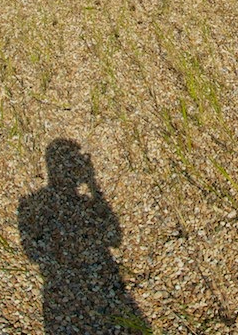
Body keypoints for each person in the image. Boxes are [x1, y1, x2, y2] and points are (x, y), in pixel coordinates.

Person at [18, 138, 147, 333]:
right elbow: (115, 239)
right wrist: (93, 185)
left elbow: (32, 252)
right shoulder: (35, 203)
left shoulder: (30, 203)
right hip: (83, 286)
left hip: (57, 294)